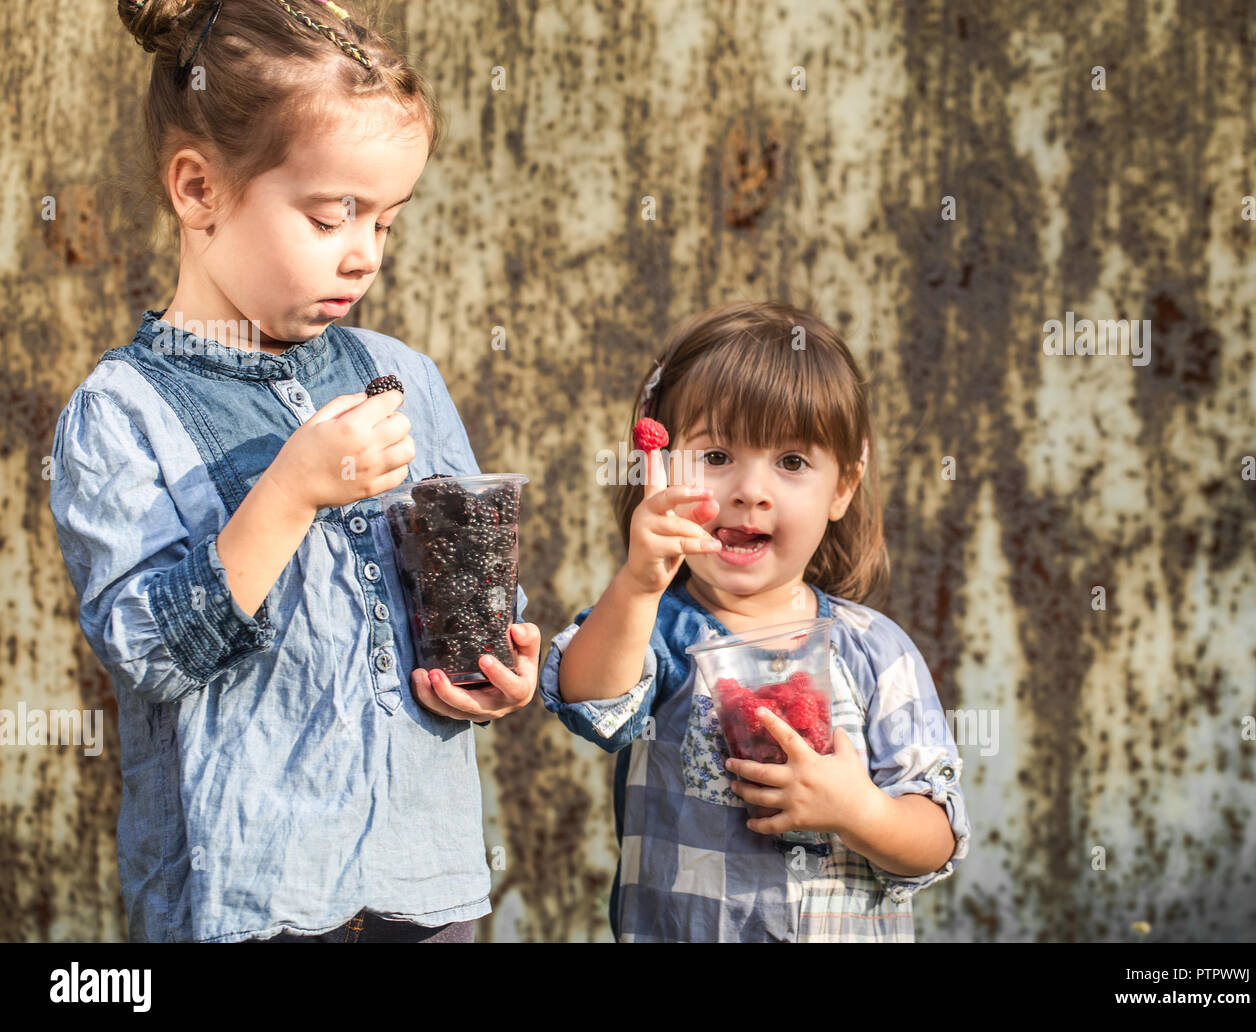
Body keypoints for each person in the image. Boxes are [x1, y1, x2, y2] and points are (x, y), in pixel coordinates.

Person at [47, 0, 538, 943]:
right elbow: (150, 654)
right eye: (330, 215)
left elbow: (470, 589)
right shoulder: (121, 414)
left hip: (421, 884)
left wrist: (496, 660)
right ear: (198, 190)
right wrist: (288, 489)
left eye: (386, 221)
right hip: (251, 898)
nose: (364, 255)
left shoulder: (404, 379)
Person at [538, 300, 972, 941]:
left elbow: (936, 838)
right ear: (659, 467)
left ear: (844, 486)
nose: (751, 490)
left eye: (792, 463)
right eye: (716, 456)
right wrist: (636, 585)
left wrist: (859, 811)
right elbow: (593, 702)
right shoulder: (657, 630)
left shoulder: (874, 649)